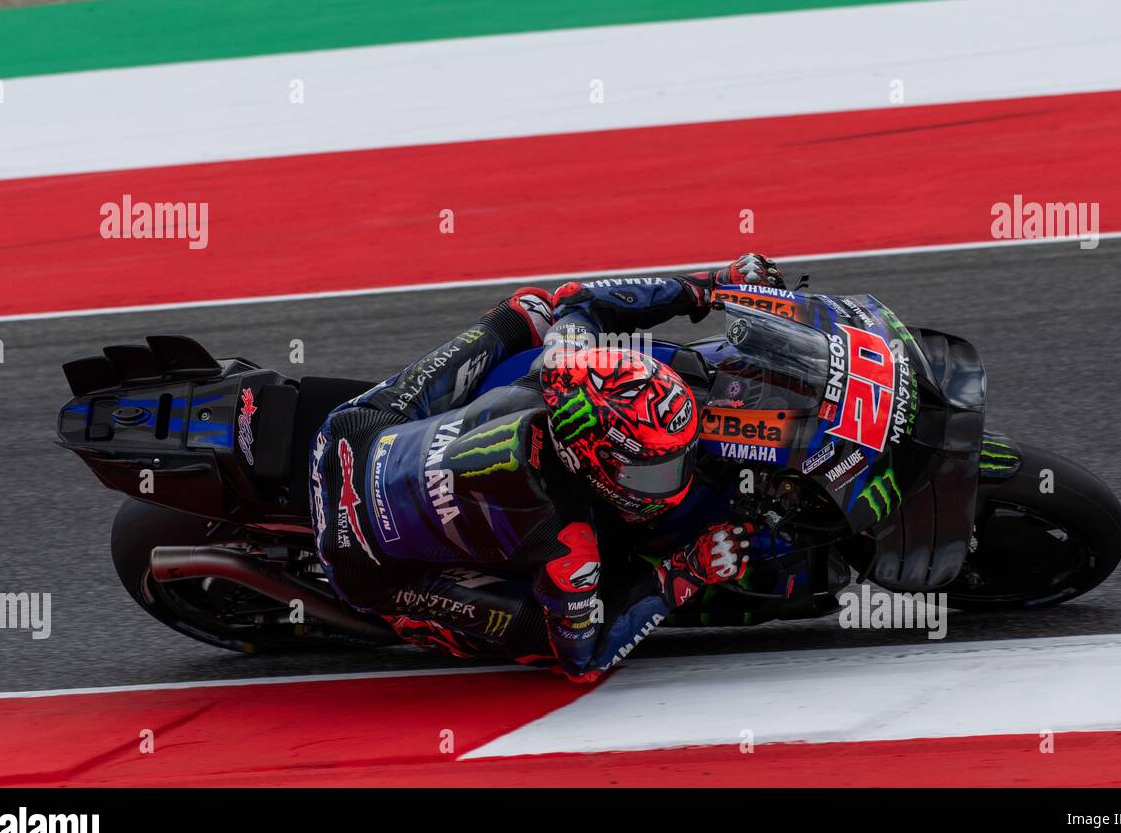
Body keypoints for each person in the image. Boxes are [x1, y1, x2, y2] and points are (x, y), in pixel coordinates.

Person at [309, 254, 787, 680]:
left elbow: (575, 298)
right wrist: (686, 572)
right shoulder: (571, 547)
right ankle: (401, 612)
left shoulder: (564, 363)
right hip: (361, 555)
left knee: (528, 310)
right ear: (591, 460)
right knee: (545, 641)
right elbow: (586, 659)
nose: (674, 483)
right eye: (654, 471)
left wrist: (709, 285)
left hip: (351, 437)